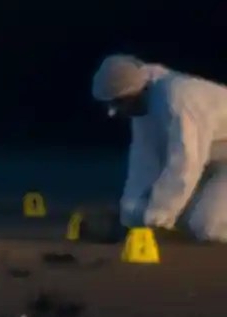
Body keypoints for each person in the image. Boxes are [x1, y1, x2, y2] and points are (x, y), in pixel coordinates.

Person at [91, 54, 227, 242]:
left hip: (215, 159)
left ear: (131, 94)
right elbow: (144, 161)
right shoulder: (145, 103)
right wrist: (131, 216)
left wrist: (157, 219)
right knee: (184, 220)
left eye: (116, 104)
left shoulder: (178, 100)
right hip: (217, 158)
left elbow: (185, 163)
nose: (113, 113)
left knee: (208, 227)